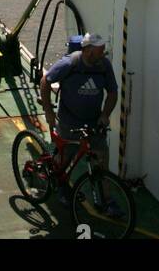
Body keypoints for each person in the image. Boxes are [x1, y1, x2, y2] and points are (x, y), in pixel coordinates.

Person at [40, 33, 118, 170]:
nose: (103, 55)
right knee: (61, 164)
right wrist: (49, 111)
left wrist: (105, 114)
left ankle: (104, 189)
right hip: (69, 124)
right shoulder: (70, 63)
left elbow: (112, 92)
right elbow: (45, 81)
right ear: (88, 52)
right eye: (100, 52)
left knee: (101, 161)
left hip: (94, 124)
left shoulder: (104, 65)